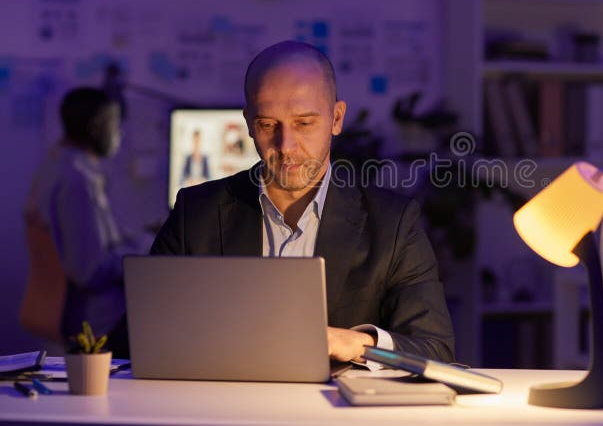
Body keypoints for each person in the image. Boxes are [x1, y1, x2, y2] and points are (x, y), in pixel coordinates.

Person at [150, 41, 455, 364]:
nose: (286, 146)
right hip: (226, 411)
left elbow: (435, 349)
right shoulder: (195, 213)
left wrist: (359, 345)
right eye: (267, 125)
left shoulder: (392, 223)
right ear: (249, 123)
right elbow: (141, 339)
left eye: (304, 123)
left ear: (337, 118)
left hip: (332, 414)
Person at [24, 87, 148, 353]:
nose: (119, 135)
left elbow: (93, 240)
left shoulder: (56, 166)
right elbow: (90, 270)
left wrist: (136, 238)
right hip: (96, 325)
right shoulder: (77, 180)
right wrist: (143, 256)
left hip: (75, 312)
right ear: (96, 127)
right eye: (115, 125)